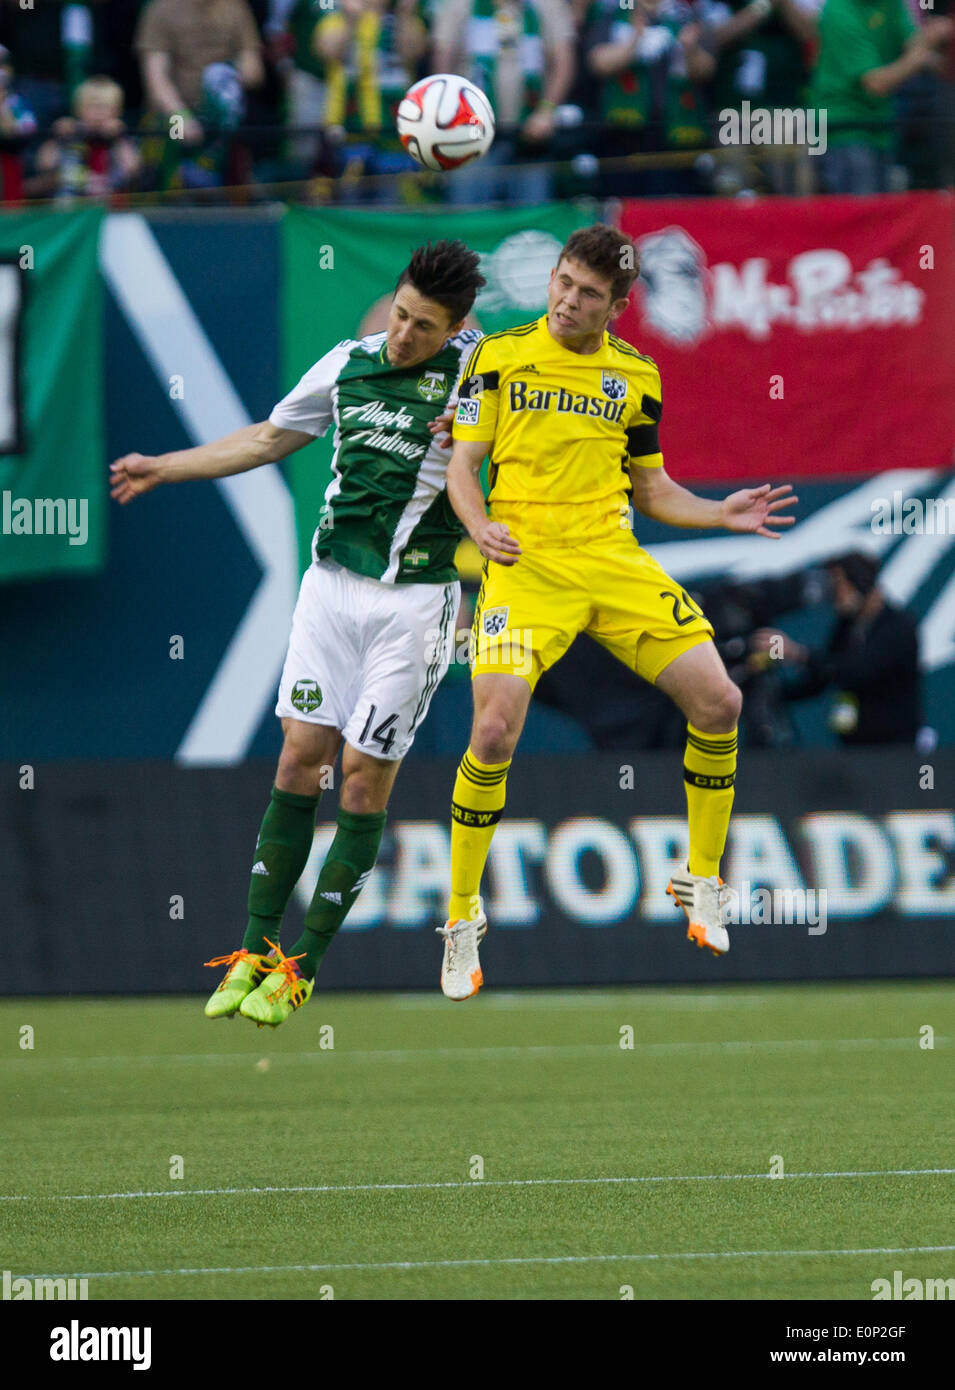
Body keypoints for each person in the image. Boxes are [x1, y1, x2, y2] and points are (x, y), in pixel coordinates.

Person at [110, 241, 485, 1027]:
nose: (403, 335)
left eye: (424, 327)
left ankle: (302, 968)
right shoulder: (348, 361)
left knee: (357, 780)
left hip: (413, 607)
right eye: (402, 314)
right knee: (296, 758)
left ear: (455, 327)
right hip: (329, 592)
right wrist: (164, 467)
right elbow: (267, 438)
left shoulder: (480, 378)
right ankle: (251, 950)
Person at [438, 222, 797, 999]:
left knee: (721, 699)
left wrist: (717, 513)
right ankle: (461, 916)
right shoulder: (496, 357)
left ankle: (702, 881)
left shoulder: (636, 376)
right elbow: (462, 465)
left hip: (610, 559)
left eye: (588, 294)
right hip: (523, 563)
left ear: (618, 307)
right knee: (493, 732)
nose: (567, 300)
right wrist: (478, 525)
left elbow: (652, 490)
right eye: (563, 282)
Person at [751, 551, 922, 745]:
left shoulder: (899, 627)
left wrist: (797, 653)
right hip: (856, 746)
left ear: (860, 584)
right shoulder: (846, 627)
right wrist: (774, 694)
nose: (832, 595)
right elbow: (822, 677)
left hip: (896, 747)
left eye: (838, 586)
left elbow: (858, 669)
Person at [811, 0, 954, 194]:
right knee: (862, 218)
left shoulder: (891, 4)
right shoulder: (838, 10)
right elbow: (876, 83)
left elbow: (913, 45)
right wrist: (926, 45)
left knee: (883, 216)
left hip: (882, 129)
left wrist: (938, 42)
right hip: (844, 130)